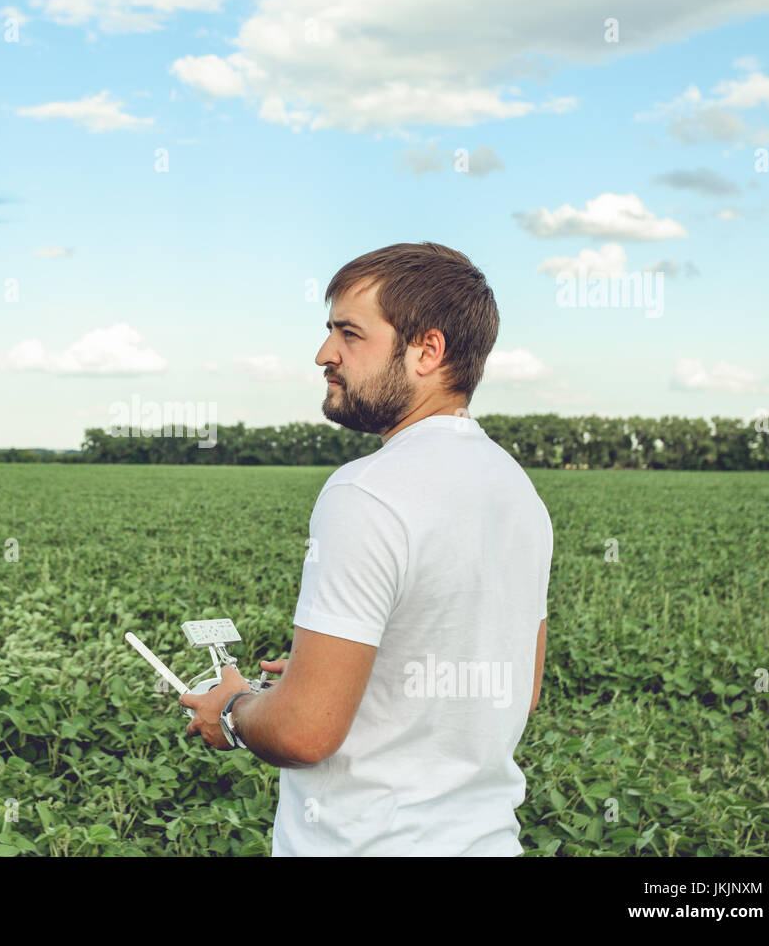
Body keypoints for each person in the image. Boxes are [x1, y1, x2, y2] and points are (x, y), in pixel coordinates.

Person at [180, 242, 553, 856]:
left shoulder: (366, 491)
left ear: (426, 352)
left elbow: (304, 733)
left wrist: (234, 710)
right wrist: (347, 677)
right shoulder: (516, 489)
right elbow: (517, 688)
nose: (324, 354)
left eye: (349, 334)